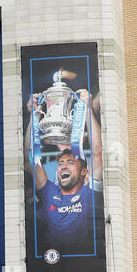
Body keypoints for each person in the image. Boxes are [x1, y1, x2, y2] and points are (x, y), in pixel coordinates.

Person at [27, 86, 103, 257]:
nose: (64, 166)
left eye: (70, 162)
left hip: (88, 266)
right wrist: (35, 115)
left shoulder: (90, 191)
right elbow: (31, 159)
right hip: (49, 266)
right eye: (61, 163)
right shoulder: (50, 193)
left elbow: (97, 152)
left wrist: (88, 109)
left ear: (85, 171)